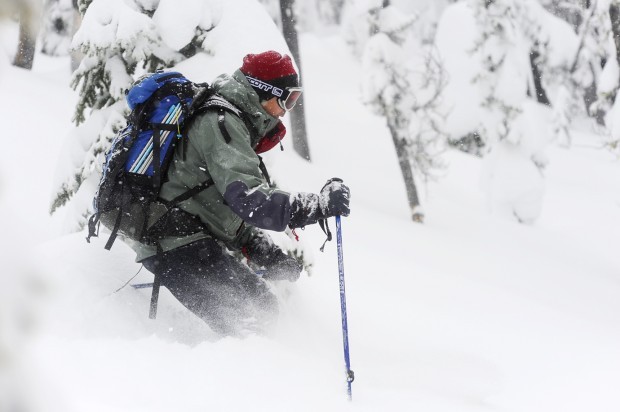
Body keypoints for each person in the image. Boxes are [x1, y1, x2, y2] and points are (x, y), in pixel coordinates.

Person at [131, 51, 351, 337]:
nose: (287, 109)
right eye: (288, 98)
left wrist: (266, 253)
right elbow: (250, 200)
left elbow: (217, 205)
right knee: (249, 327)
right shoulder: (221, 123)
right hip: (174, 245)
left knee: (266, 312)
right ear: (264, 92)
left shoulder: (234, 123)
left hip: (191, 241)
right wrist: (315, 207)